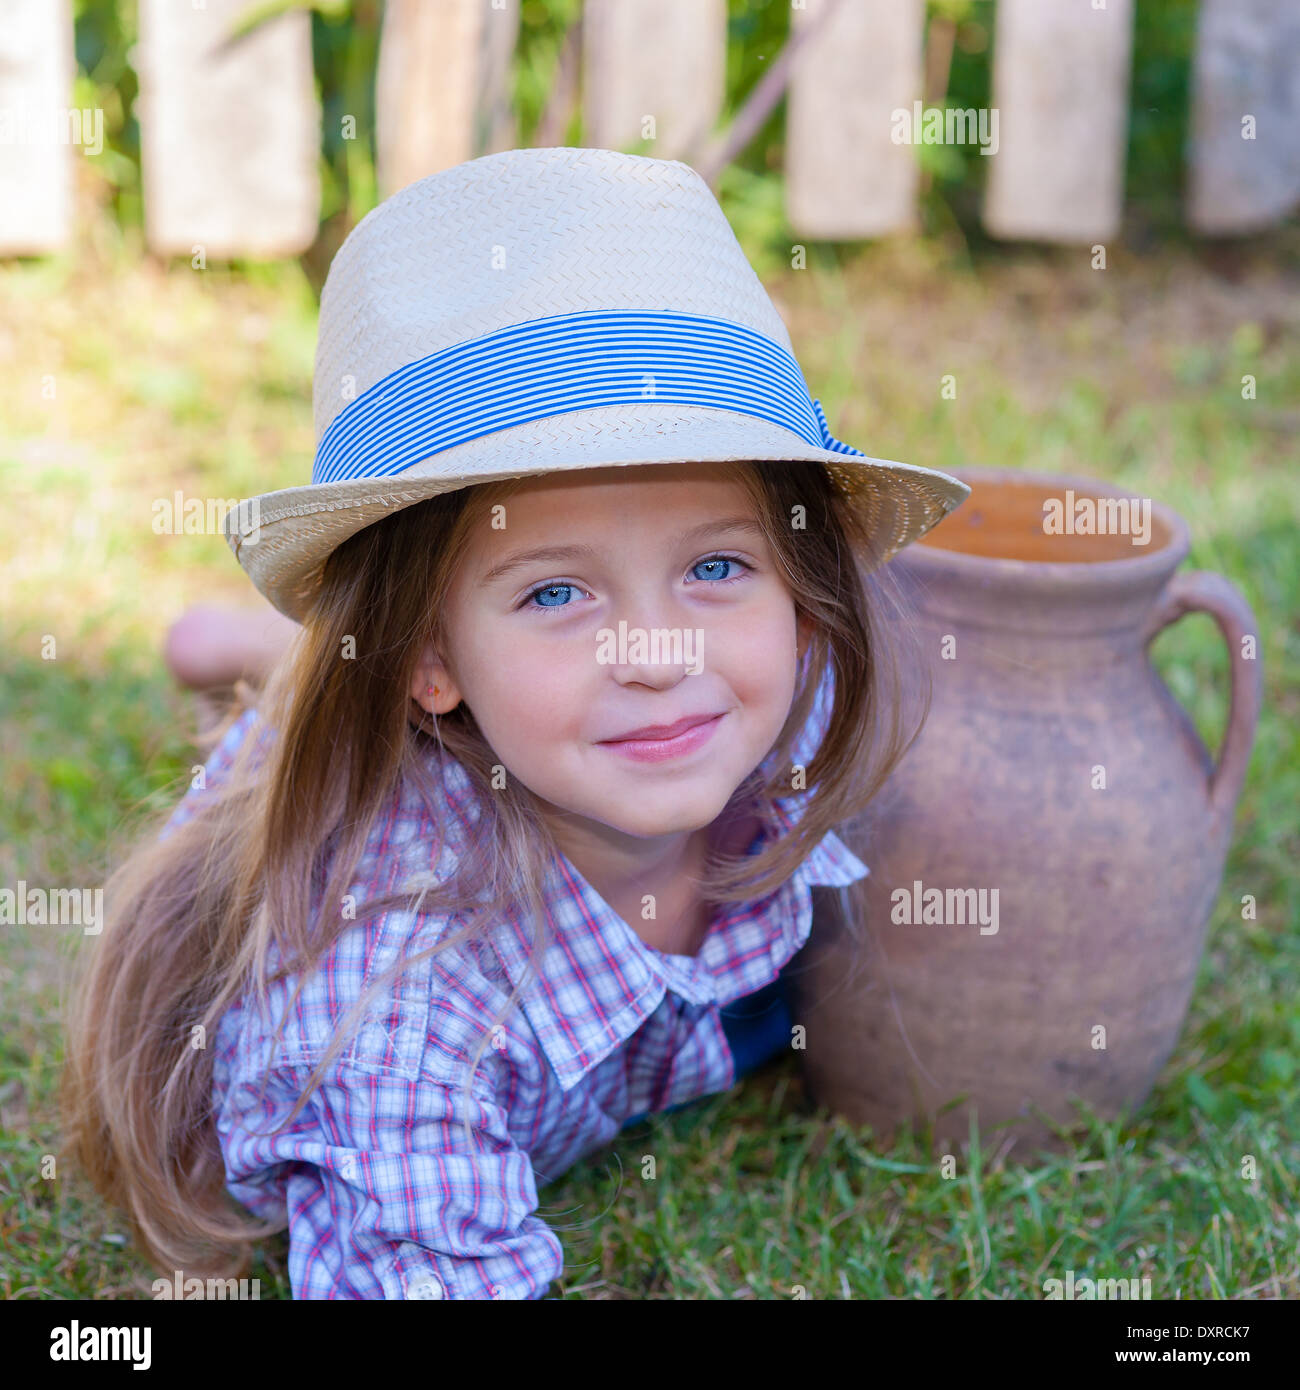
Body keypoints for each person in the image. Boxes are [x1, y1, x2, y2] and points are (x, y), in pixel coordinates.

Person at [62, 146, 968, 1299]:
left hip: (533, 808)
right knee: (314, 749)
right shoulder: (397, 1023)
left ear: (800, 589)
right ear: (426, 656)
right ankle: (282, 682)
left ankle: (272, 664)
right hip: (428, 863)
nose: (659, 654)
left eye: (718, 564)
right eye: (555, 592)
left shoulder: (768, 682)